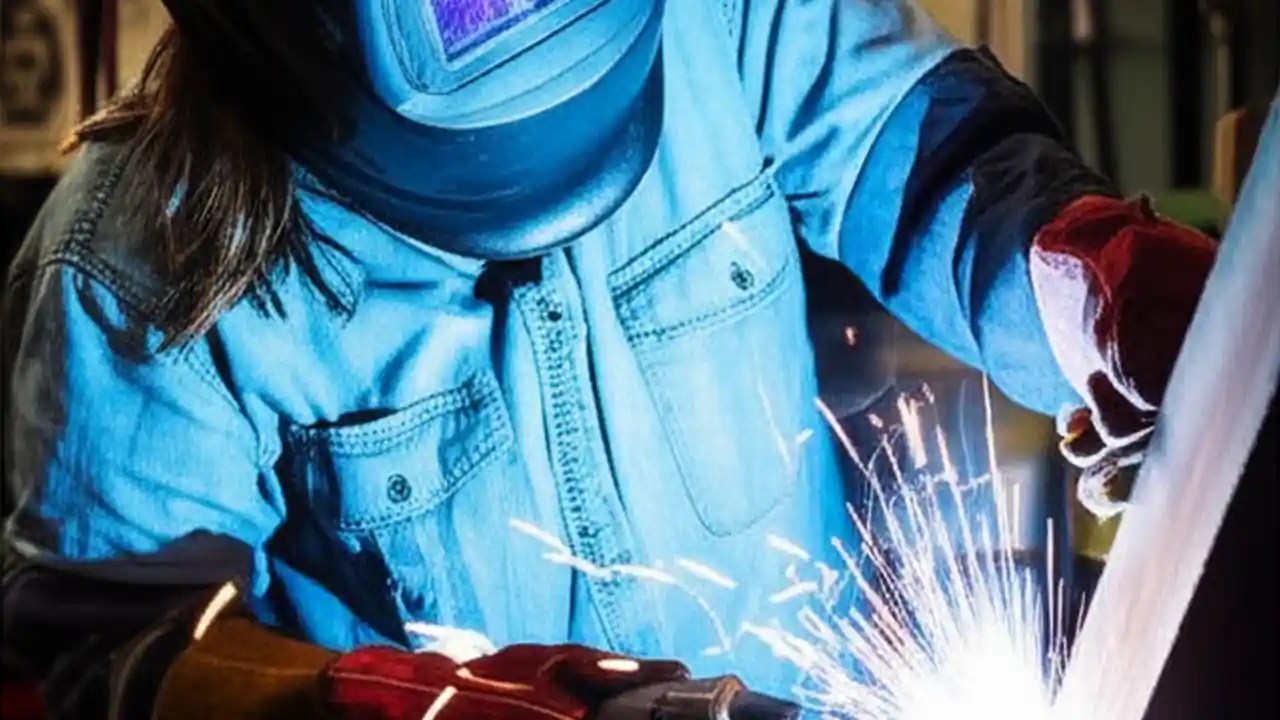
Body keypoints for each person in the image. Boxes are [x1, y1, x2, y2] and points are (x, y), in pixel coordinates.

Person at [2, 1, 1216, 718]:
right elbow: (117, 655)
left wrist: (1075, 274)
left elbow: (929, 161)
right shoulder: (138, 263)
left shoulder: (720, 19)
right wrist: (402, 705)